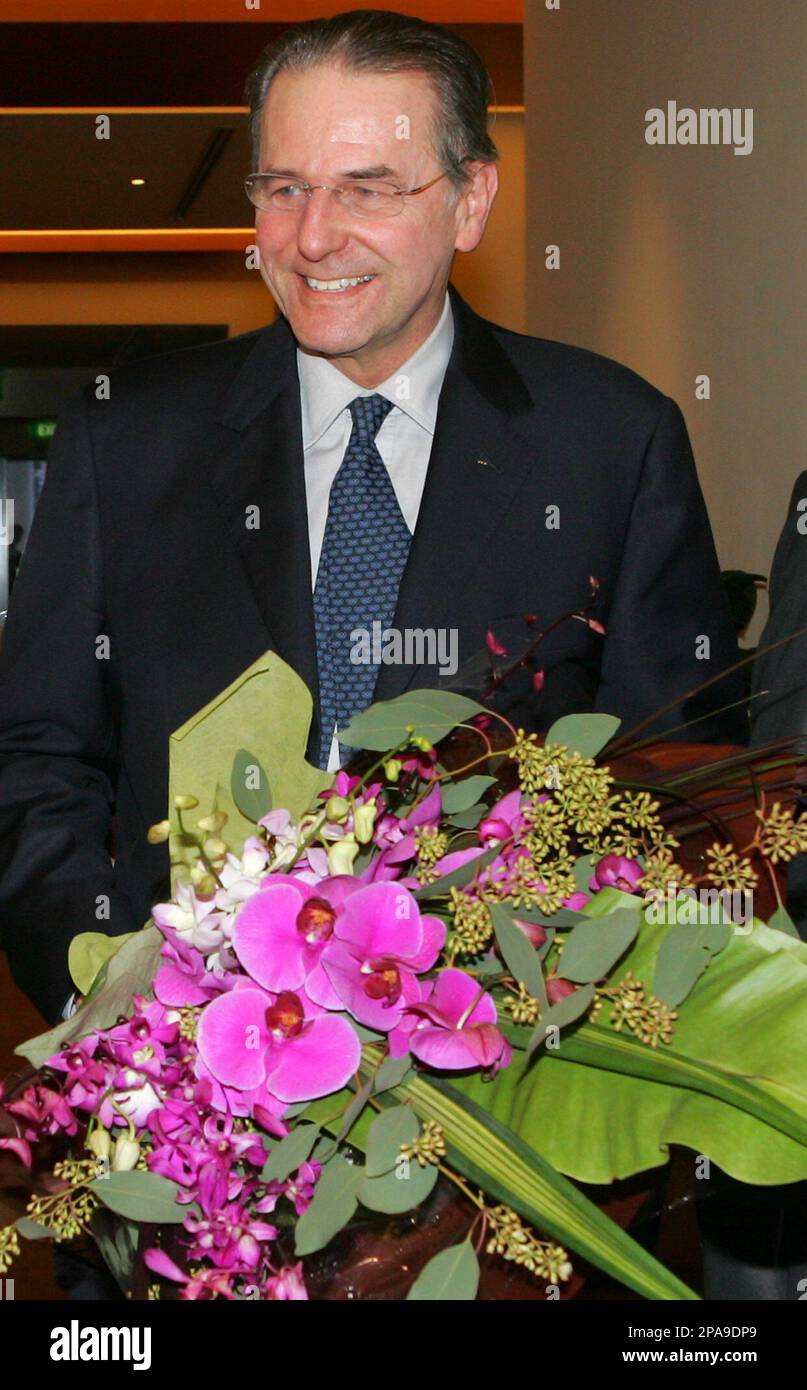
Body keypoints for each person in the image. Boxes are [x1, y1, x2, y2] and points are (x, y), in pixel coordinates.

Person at [0, 9, 744, 1032]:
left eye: (369, 189)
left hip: (501, 1096)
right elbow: (38, 756)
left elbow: (669, 786)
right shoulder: (122, 439)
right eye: (284, 188)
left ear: (471, 199)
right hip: (180, 1088)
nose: (313, 237)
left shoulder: (611, 441)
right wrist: (104, 987)